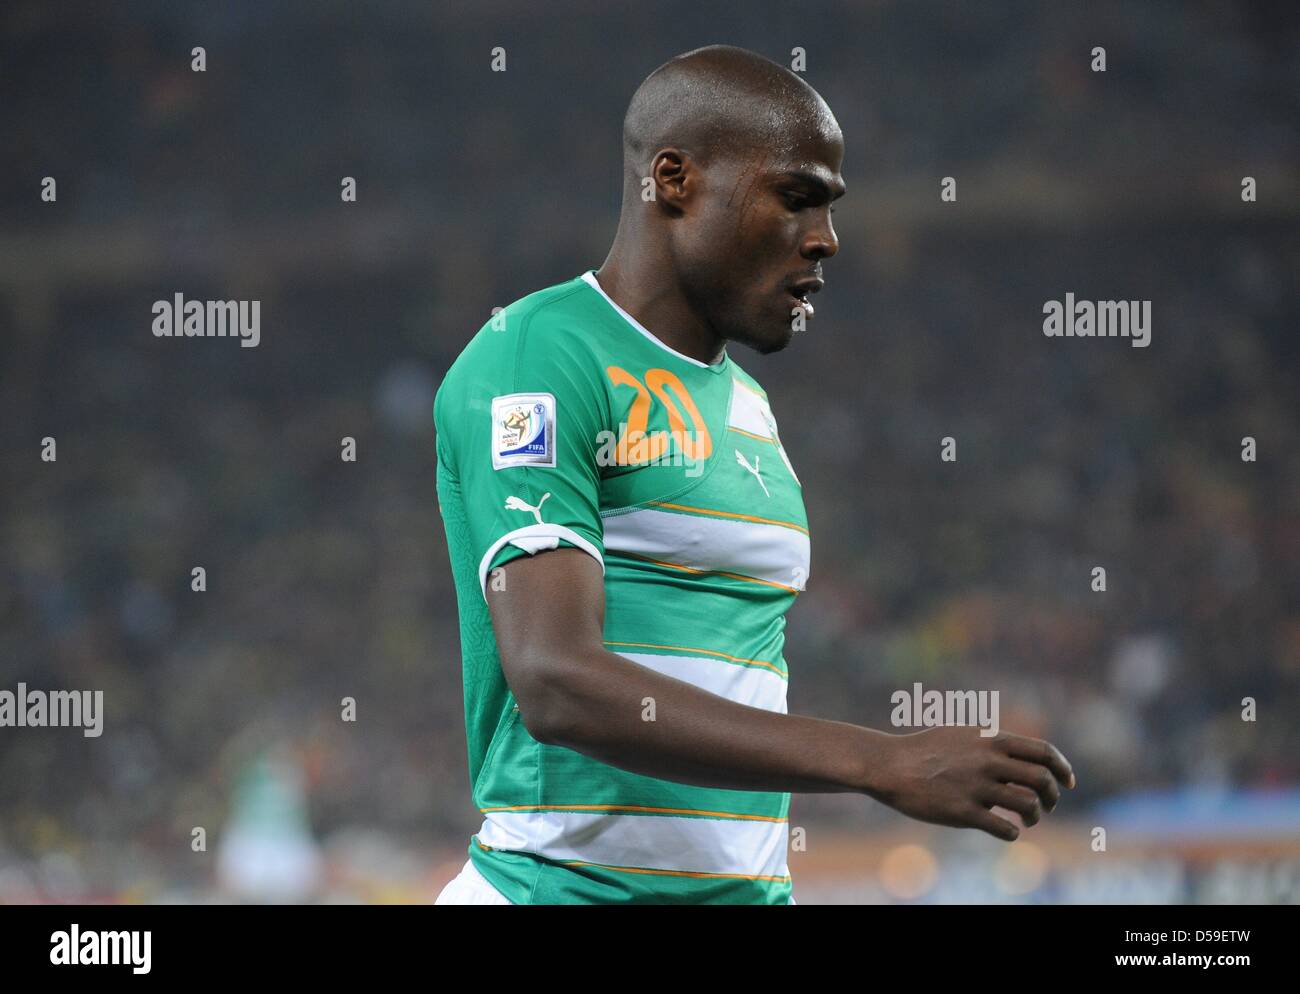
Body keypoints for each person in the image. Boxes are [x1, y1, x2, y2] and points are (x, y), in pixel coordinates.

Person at [433, 44, 1074, 905]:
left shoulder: (747, 405)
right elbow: (555, 679)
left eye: (831, 207)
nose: (826, 238)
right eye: (797, 197)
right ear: (674, 180)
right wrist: (878, 761)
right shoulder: (539, 356)